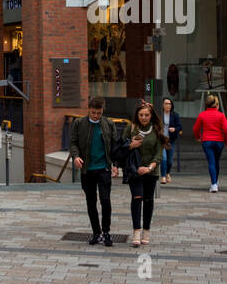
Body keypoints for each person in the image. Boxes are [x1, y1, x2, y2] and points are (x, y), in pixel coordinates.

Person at [69, 96, 121, 247]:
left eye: (99, 113)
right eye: (93, 113)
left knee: (105, 201)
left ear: (102, 110)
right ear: (88, 110)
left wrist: (116, 164)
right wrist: (76, 156)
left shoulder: (109, 124)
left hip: (104, 168)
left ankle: (106, 232)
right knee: (91, 202)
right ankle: (96, 232)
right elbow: (73, 143)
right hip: (87, 170)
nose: (96, 115)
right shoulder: (79, 124)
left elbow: (114, 146)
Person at [123, 102, 164, 246]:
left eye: (147, 115)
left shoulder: (157, 129)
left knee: (148, 200)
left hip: (151, 171)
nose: (144, 118)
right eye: (141, 115)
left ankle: (146, 230)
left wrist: (149, 168)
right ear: (137, 115)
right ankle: (136, 231)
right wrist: (130, 145)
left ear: (151, 115)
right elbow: (121, 147)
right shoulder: (131, 128)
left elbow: (159, 153)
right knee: (136, 198)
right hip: (134, 171)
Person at [193, 93, 227, 191]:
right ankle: (216, 181)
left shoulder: (202, 115)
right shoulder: (221, 115)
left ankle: (214, 184)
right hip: (219, 141)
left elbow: (195, 128)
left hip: (207, 141)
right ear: (217, 105)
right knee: (216, 162)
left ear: (206, 104)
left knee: (211, 162)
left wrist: (198, 137)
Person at [159, 97, 181, 184]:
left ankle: (168, 173)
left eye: (169, 104)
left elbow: (180, 127)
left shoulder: (175, 115)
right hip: (161, 140)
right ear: (163, 105)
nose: (168, 105)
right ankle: (163, 176)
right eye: (166, 103)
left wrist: (174, 129)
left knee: (170, 161)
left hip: (171, 140)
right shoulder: (160, 115)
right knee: (163, 159)